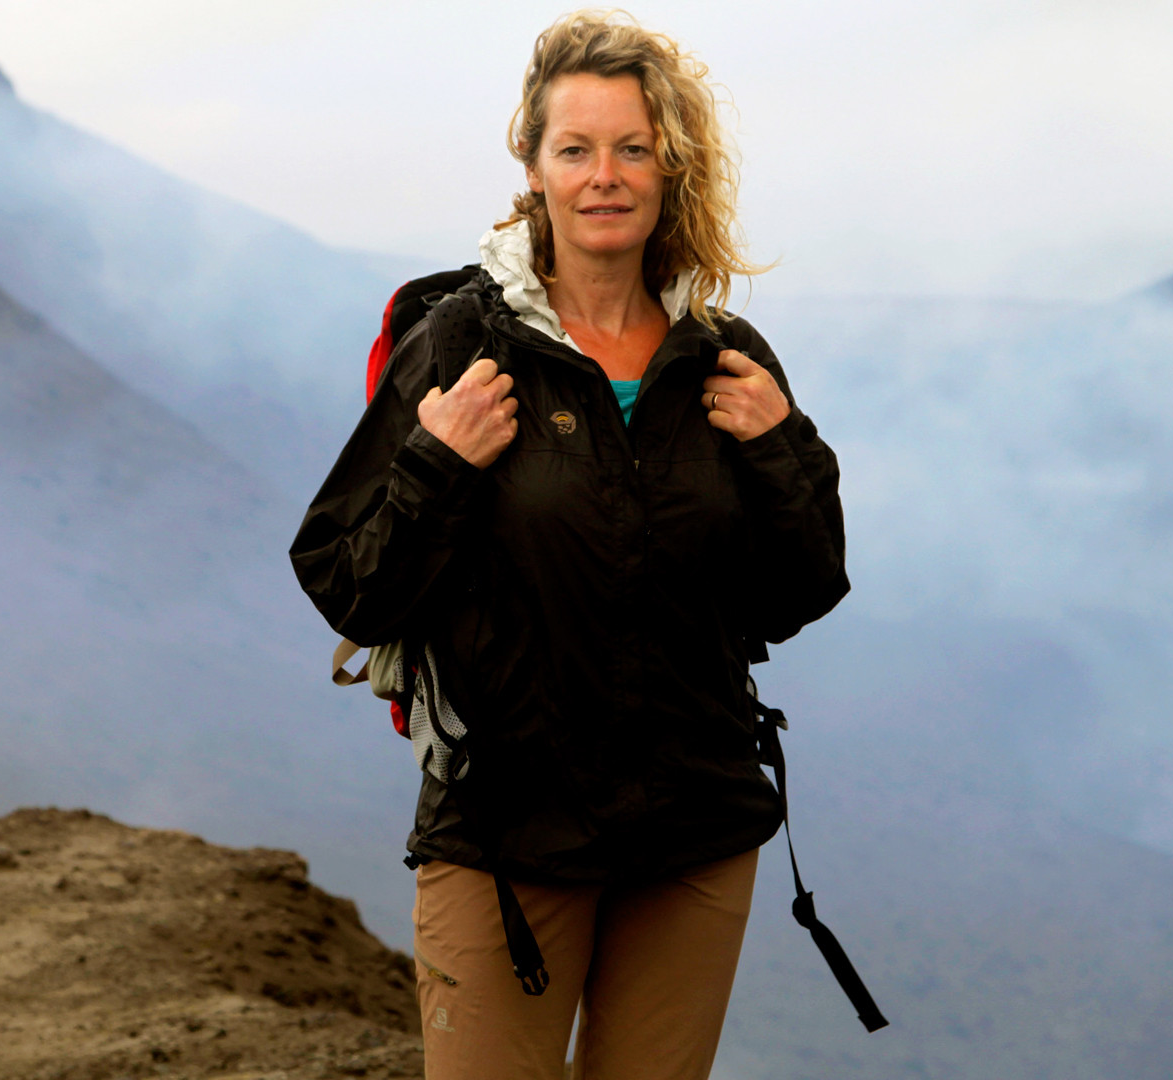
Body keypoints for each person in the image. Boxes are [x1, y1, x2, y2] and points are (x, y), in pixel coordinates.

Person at [290, 10, 848, 1080]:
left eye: (633, 148)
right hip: (505, 839)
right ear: (533, 166)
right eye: (577, 149)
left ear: (669, 166)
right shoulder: (461, 344)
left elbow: (800, 590)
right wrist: (439, 465)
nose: (606, 175)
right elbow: (347, 585)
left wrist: (778, 447)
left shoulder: (723, 358)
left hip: (696, 836)